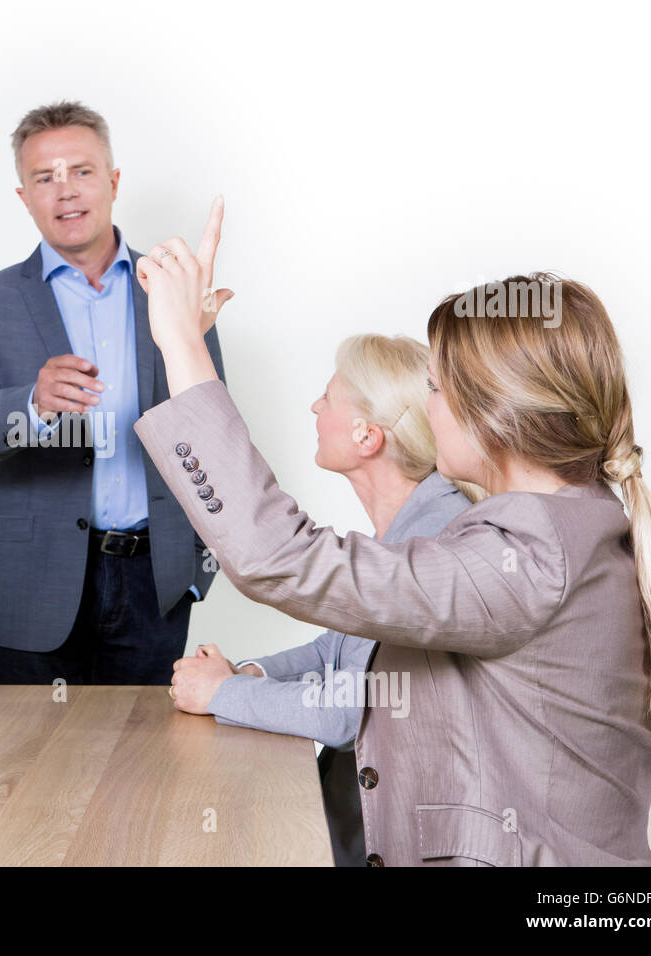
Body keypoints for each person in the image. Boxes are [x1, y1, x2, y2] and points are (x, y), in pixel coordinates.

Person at [132, 199, 651, 865]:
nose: (424, 409)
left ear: (492, 414)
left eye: (434, 386)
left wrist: (180, 343)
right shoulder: (562, 527)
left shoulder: (533, 553)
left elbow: (282, 558)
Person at [0, 101, 225, 684]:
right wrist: (31, 407)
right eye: (45, 177)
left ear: (113, 183)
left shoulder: (171, 289)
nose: (65, 190)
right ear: (25, 197)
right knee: (27, 770)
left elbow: (214, 434)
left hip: (154, 585)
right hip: (29, 585)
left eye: (82, 171)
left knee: (142, 768)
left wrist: (194, 570)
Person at [168, 334, 474, 866]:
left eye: (328, 397)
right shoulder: (413, 522)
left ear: (367, 435)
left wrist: (222, 694)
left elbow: (348, 711)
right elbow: (338, 647)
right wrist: (248, 676)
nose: (314, 405)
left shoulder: (434, 536)